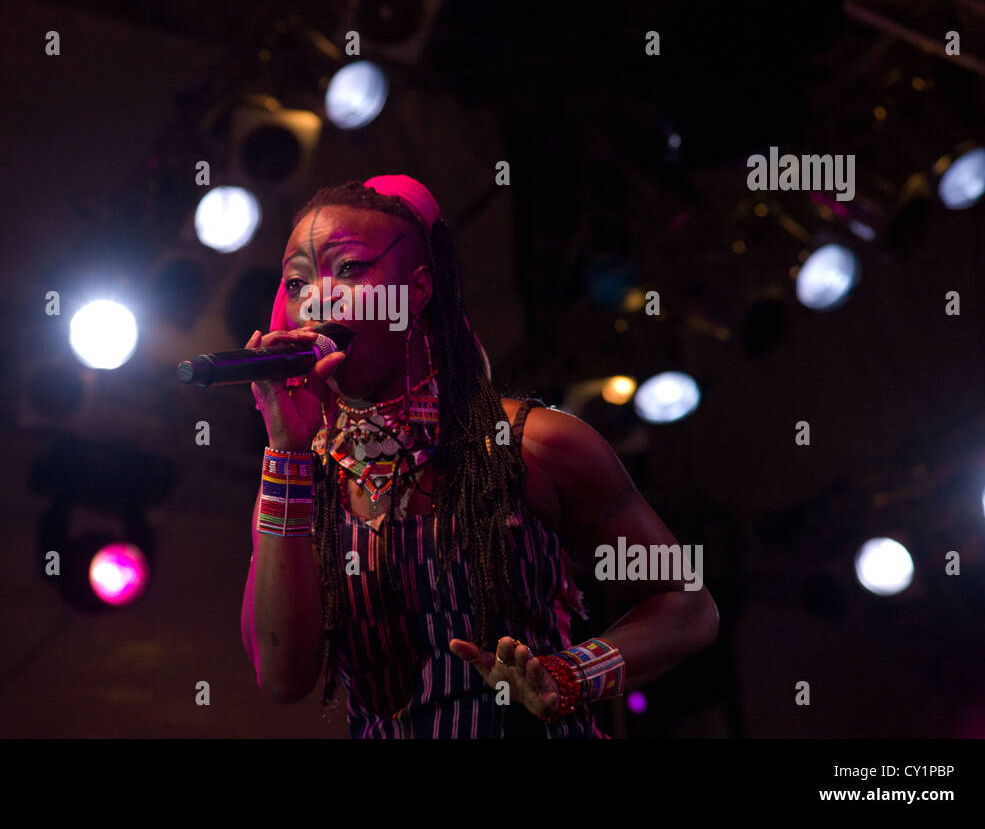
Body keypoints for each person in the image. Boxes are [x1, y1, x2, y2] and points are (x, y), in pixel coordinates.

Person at [240, 175, 718, 738]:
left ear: (417, 290)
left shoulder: (535, 443)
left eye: (348, 268)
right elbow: (283, 677)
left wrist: (571, 675)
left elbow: (686, 606)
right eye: (297, 281)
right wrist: (288, 452)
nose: (316, 298)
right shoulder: (299, 484)